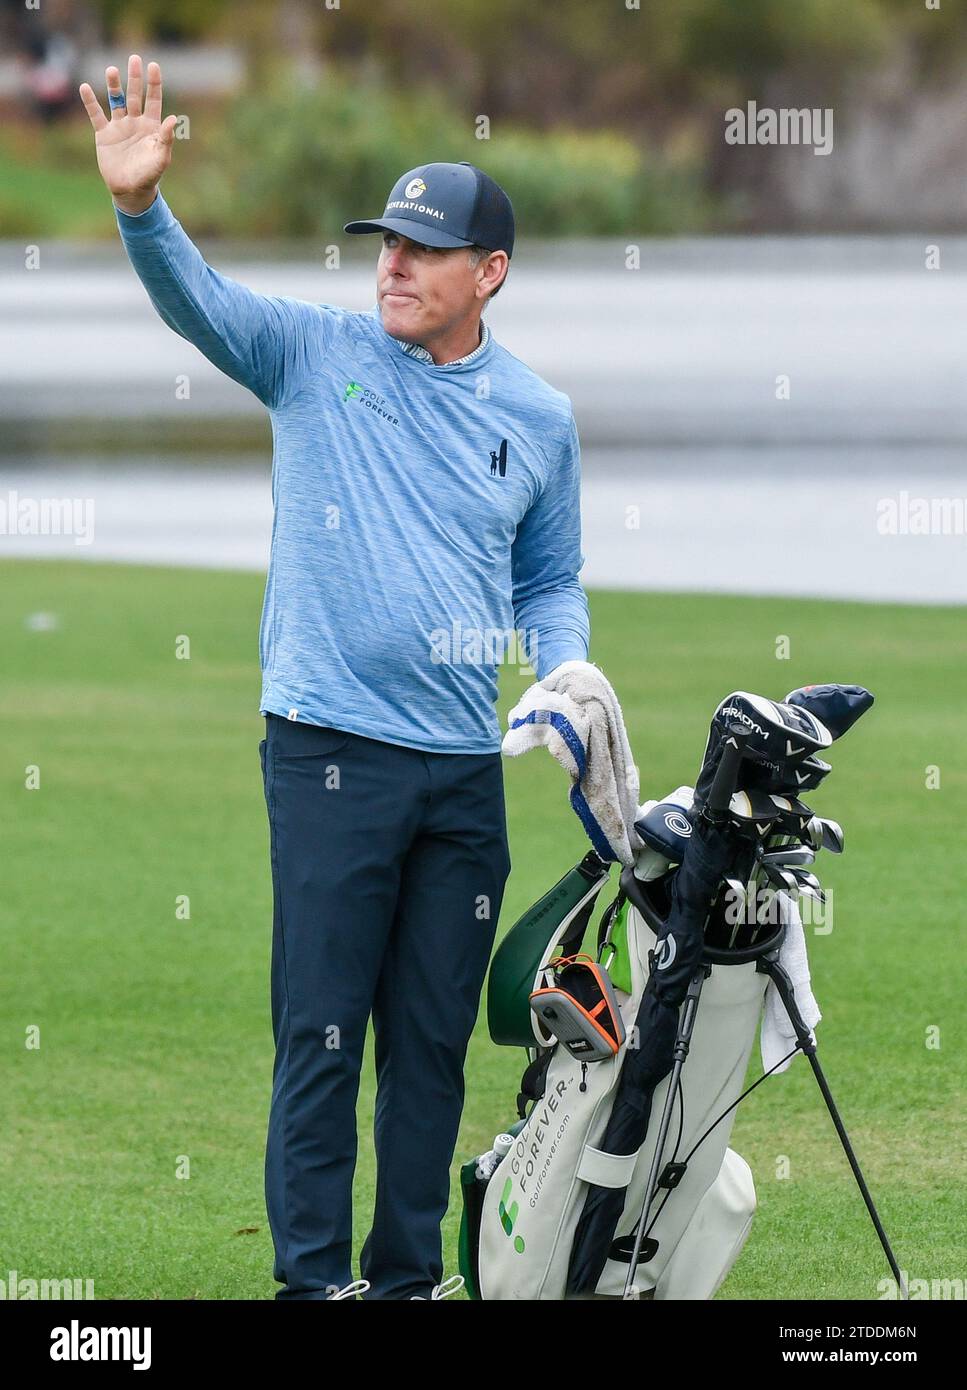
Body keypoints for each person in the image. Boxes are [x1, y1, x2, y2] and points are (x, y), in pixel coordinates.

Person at [80, 54, 591, 1301]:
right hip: (326, 756)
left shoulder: (539, 417)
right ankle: (309, 1287)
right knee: (320, 1039)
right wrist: (141, 209)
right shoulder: (311, 356)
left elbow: (547, 580)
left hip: (464, 777)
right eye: (385, 244)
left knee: (426, 1048)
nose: (393, 266)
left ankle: (405, 1280)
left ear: (491, 274)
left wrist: (566, 673)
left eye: (424, 249)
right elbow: (196, 301)